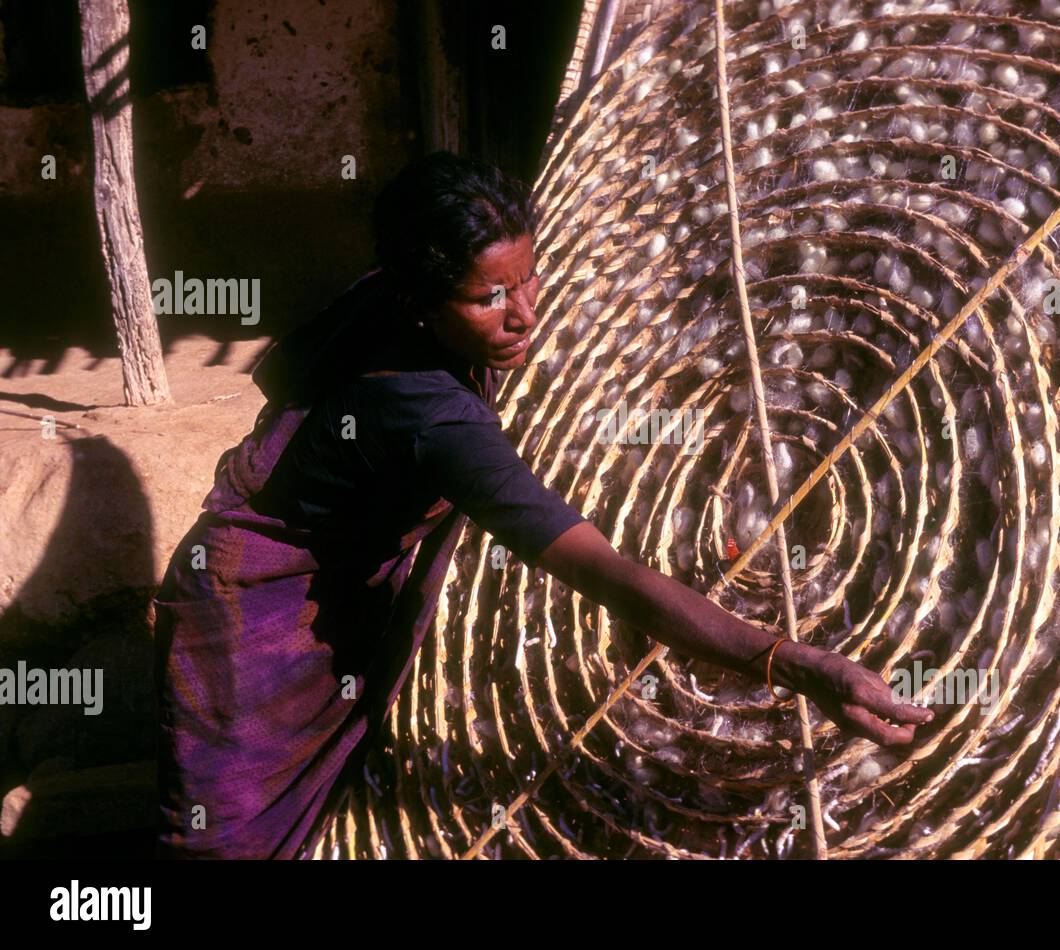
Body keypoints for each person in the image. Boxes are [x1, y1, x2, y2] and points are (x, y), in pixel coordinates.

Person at [152, 151, 931, 860]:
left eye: (529, 277)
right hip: (251, 610)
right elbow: (606, 574)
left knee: (306, 803)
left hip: (333, 582)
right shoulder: (432, 418)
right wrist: (792, 661)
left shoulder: (388, 301)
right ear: (423, 303)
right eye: (490, 297)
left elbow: (283, 376)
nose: (524, 312)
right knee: (222, 839)